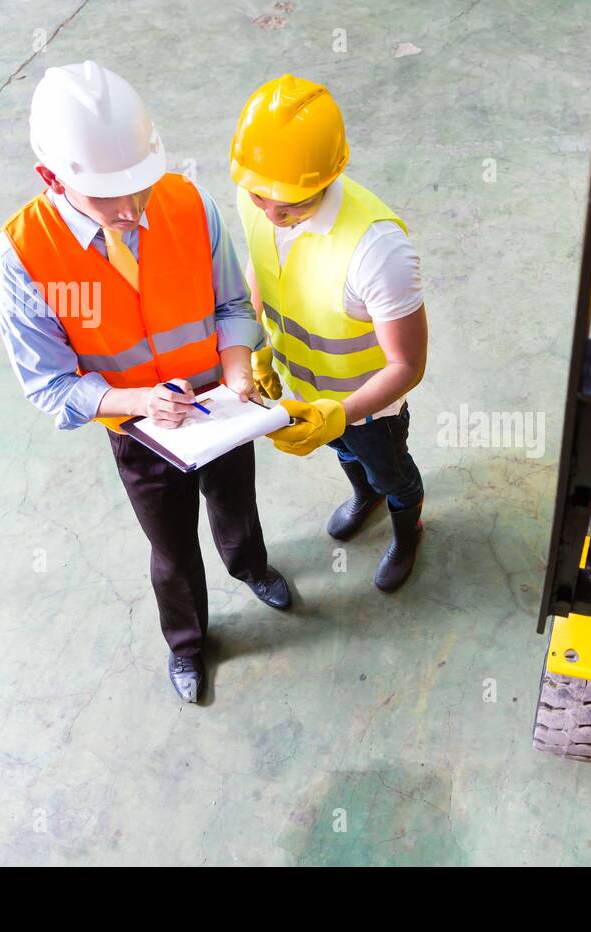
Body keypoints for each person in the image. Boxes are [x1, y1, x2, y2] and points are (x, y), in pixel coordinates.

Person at [0, 61, 291, 702]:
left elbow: (234, 307)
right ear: (51, 178)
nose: (130, 211)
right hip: (139, 432)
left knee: (237, 503)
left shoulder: (186, 203)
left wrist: (237, 370)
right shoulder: (23, 258)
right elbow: (49, 386)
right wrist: (136, 402)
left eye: (140, 189)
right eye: (107, 198)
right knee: (172, 549)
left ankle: (251, 566)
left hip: (223, 406)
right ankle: (188, 645)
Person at [230, 75, 428, 592]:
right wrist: (257, 347)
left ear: (328, 174)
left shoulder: (377, 250)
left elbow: (407, 365)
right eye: (259, 196)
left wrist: (339, 413)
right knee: (344, 452)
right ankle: (367, 496)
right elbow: (261, 266)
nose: (271, 213)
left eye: (289, 203)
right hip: (306, 390)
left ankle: (407, 530)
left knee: (391, 470)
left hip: (369, 407)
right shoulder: (258, 196)